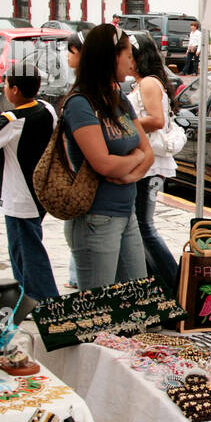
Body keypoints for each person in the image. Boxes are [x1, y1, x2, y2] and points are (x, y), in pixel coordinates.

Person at [60, 23, 153, 290]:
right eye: (128, 56)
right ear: (111, 58)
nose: (132, 63)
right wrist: (132, 161)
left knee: (136, 300)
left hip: (127, 212)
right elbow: (103, 163)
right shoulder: (80, 104)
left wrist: (127, 172)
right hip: (96, 220)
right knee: (100, 312)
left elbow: (146, 152)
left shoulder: (117, 98)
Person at [0, 63, 59, 301]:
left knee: (27, 250)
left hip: (18, 195)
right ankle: (26, 294)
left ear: (15, 90)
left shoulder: (11, 118)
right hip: (41, 191)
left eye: (7, 84)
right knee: (25, 248)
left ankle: (41, 299)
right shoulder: (47, 109)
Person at [127, 37, 182, 291]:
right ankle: (161, 284)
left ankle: (175, 283)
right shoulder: (144, 82)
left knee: (144, 227)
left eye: (129, 55)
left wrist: (126, 124)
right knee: (141, 227)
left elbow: (157, 120)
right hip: (148, 163)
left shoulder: (148, 83)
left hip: (150, 166)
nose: (126, 61)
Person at [63, 32, 84, 290]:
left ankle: (77, 276)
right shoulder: (77, 87)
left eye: (70, 52)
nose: (67, 57)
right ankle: (74, 275)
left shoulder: (81, 96)